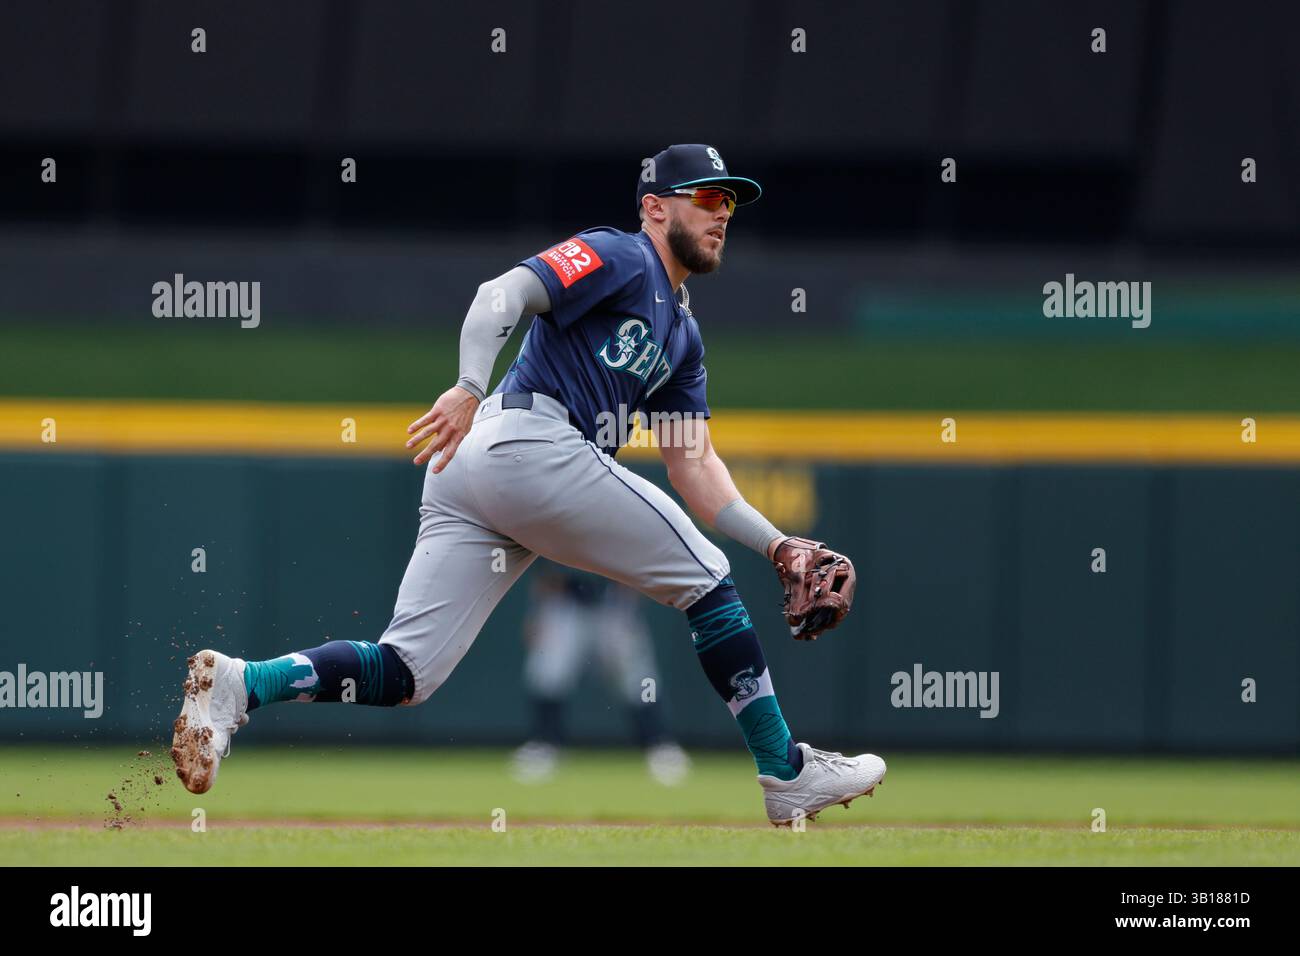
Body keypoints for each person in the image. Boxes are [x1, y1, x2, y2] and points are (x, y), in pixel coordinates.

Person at [171, 144, 885, 825]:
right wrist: (467, 384)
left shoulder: (683, 338)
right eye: (705, 196)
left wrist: (778, 542)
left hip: (493, 473)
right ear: (656, 208)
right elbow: (500, 293)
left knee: (406, 672)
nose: (721, 211)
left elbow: (693, 464)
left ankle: (241, 684)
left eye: (730, 200)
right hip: (522, 440)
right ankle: (786, 772)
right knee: (707, 579)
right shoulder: (623, 253)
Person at [510, 566, 691, 786]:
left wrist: (628, 598)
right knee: (547, 672)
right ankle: (544, 745)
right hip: (565, 602)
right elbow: (542, 557)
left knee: (637, 677)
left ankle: (660, 746)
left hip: (611, 599)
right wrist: (539, 609)